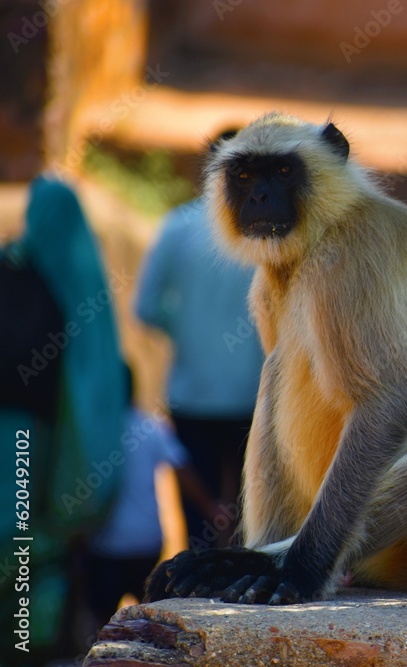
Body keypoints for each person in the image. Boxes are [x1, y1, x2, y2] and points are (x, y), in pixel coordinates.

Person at [0, 175, 128, 663]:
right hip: (36, 440)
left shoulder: (18, 271)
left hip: (20, 438)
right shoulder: (74, 280)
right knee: (31, 545)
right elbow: (93, 376)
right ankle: (27, 643)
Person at [133, 173, 263, 547]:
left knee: (196, 518)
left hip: (190, 393)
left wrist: (188, 330)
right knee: (253, 513)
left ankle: (194, 598)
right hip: (251, 394)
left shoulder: (178, 226)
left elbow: (144, 307)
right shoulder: (264, 231)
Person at [85, 365, 223, 625]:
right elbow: (184, 471)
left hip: (105, 544)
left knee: (101, 622)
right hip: (147, 541)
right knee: (147, 621)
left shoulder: (95, 431)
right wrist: (210, 508)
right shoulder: (150, 427)